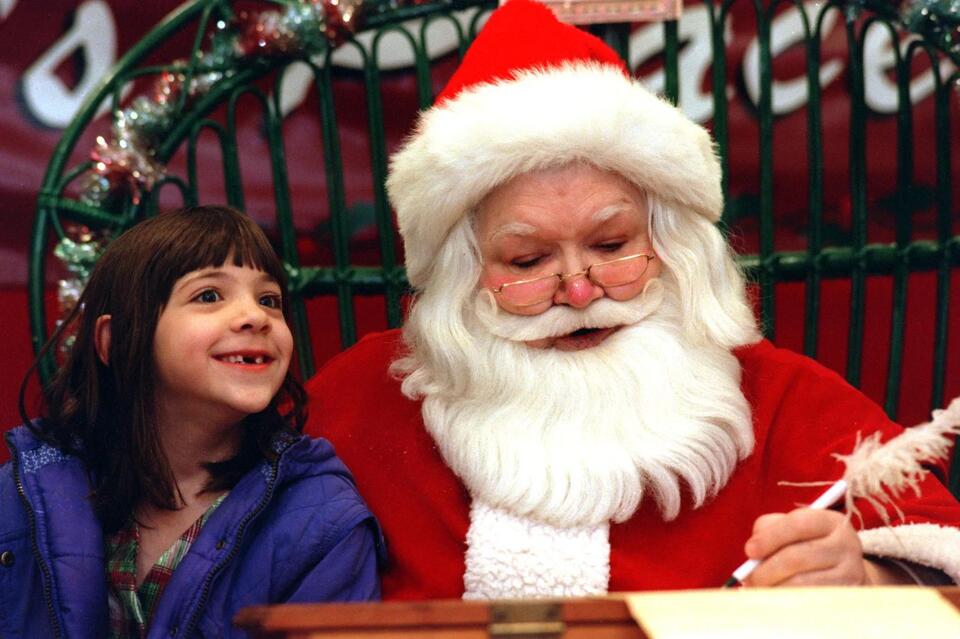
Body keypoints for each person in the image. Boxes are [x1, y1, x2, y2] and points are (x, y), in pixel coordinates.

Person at [304, 0, 960, 600]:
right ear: (463, 274)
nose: (579, 290)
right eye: (528, 261)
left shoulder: (780, 398)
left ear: (669, 244)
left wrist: (866, 576)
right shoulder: (363, 397)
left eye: (612, 244)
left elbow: (939, 556)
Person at [1, 206, 382, 638]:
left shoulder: (322, 520)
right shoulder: (24, 493)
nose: (256, 317)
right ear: (116, 340)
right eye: (209, 296)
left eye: (269, 300)